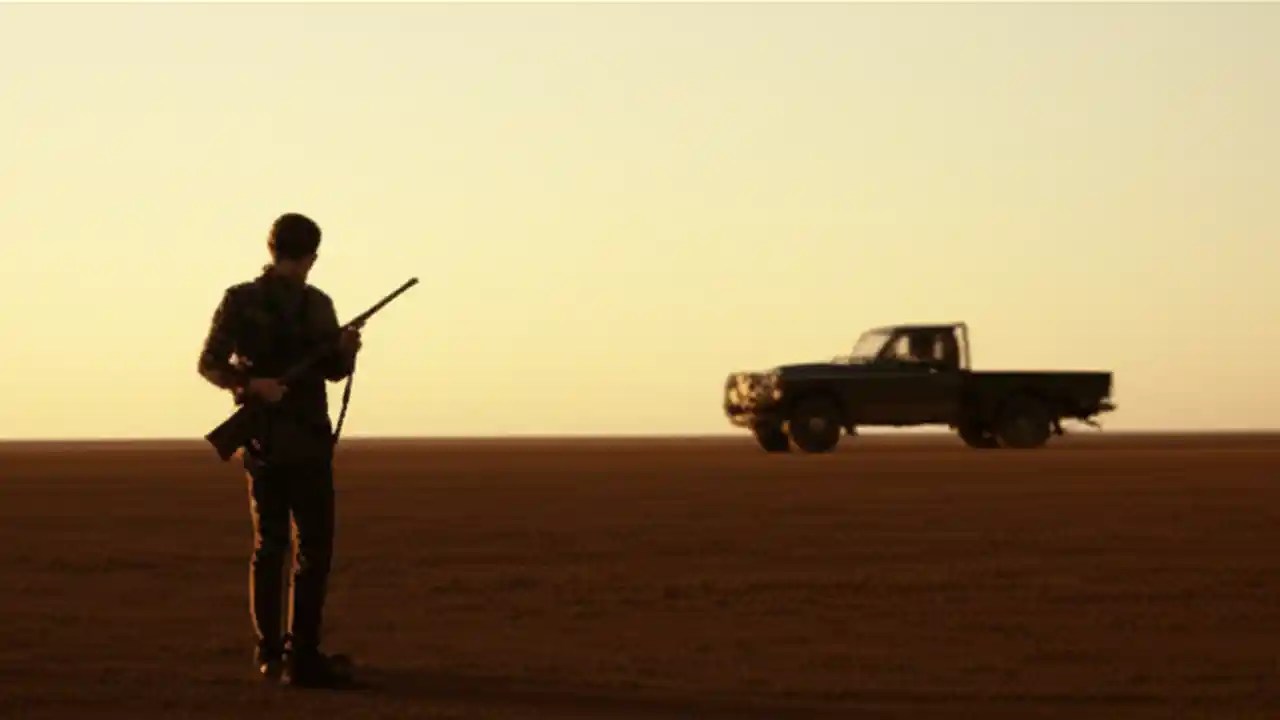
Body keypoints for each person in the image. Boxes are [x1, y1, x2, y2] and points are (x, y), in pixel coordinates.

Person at [197, 212, 361, 688]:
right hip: (290, 440)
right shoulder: (301, 304)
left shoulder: (251, 300)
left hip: (277, 442)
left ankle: (273, 655)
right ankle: (299, 656)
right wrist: (256, 386)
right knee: (307, 549)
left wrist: (346, 349)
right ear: (312, 255)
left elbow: (211, 364)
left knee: (271, 548)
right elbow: (211, 364)